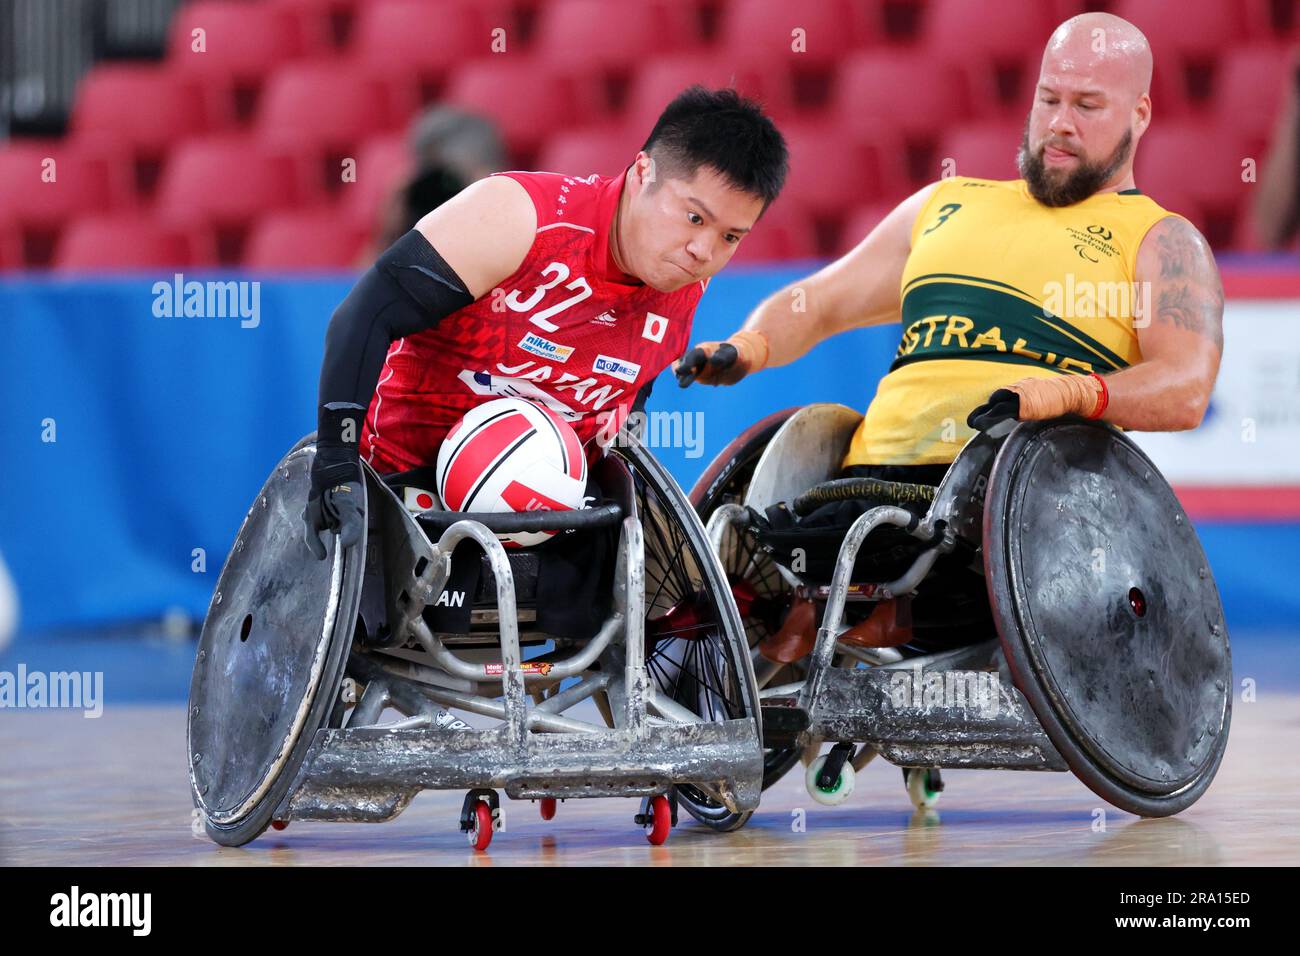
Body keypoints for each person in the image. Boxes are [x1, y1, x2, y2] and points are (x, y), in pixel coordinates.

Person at [678, 13, 1224, 656]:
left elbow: (1187, 386)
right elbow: (819, 302)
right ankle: (825, 613)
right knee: (745, 541)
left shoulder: (1162, 239)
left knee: (911, 546)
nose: (1059, 123)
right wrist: (752, 346)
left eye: (1087, 106)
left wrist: (1070, 395)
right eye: (1048, 99)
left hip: (1014, 506)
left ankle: (877, 613)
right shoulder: (946, 205)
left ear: (1140, 114)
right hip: (861, 484)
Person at [305, 86, 789, 563]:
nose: (704, 251)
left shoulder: (686, 276)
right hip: (404, 480)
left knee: (691, 573)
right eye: (693, 217)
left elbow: (627, 394)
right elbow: (362, 317)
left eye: (730, 236)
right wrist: (336, 460)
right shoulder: (522, 216)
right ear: (644, 172)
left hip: (557, 509)